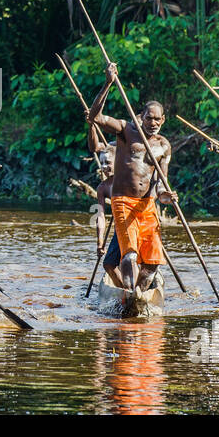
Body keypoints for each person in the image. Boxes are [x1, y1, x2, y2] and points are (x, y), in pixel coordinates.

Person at [86, 63, 175, 295]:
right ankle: (127, 294)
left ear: (163, 120)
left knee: (153, 263)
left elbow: (161, 182)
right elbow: (95, 117)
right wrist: (108, 82)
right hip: (123, 201)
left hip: (148, 206)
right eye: (149, 118)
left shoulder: (164, 146)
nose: (153, 123)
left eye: (157, 119)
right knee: (130, 255)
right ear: (141, 117)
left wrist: (167, 197)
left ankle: (138, 293)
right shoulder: (126, 131)